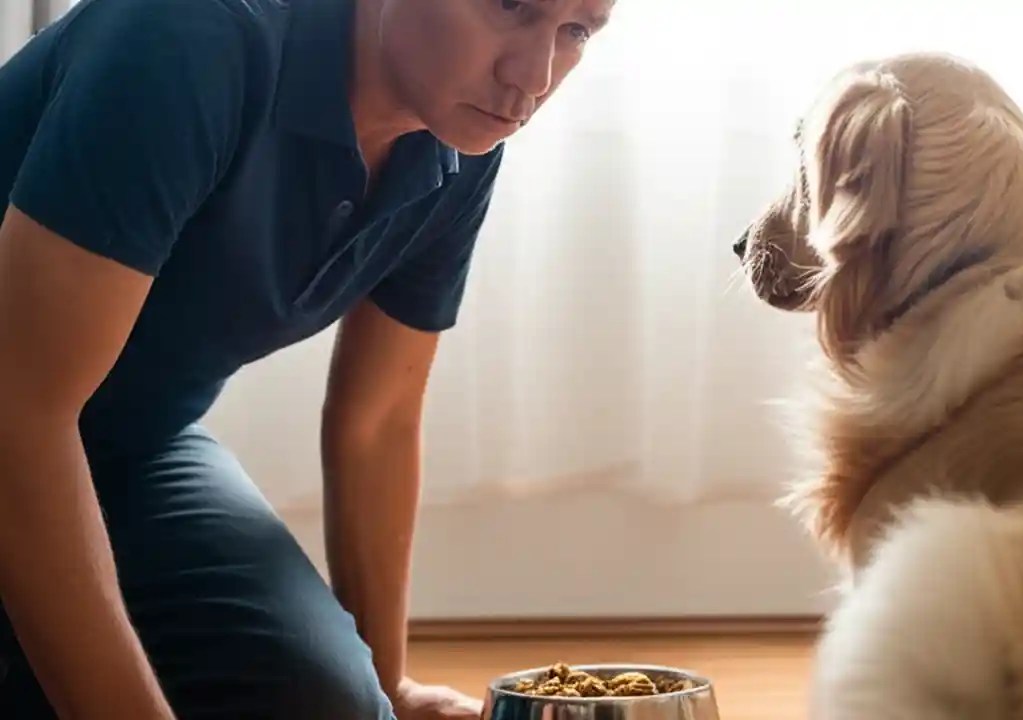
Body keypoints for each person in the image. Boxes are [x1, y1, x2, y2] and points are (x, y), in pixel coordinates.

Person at [0, 0, 612, 717]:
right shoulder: (187, 37)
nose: (534, 77)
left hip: (134, 445)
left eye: (577, 31)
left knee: (329, 704)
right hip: (21, 420)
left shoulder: (460, 139)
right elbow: (19, 411)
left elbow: (376, 421)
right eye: (510, 8)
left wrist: (388, 686)